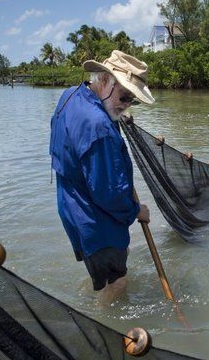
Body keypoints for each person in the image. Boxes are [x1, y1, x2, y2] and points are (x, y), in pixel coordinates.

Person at [49, 50, 154, 298]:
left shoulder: (71, 95)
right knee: (115, 287)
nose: (127, 105)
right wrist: (137, 211)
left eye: (132, 100)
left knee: (104, 273)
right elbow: (110, 195)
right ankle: (111, 331)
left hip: (72, 208)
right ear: (104, 80)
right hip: (96, 221)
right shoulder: (99, 126)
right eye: (125, 96)